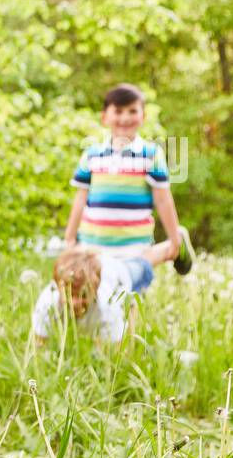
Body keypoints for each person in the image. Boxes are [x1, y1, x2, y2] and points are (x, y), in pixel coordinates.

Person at [64, 83, 193, 275]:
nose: (125, 117)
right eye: (118, 111)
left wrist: (173, 237)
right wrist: (69, 239)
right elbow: (80, 198)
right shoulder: (92, 154)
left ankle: (175, 244)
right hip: (92, 245)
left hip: (133, 247)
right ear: (105, 117)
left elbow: (163, 199)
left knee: (126, 291)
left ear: (143, 117)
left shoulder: (150, 154)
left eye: (132, 111)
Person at [32, 236, 192, 344]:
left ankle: (174, 242)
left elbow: (115, 354)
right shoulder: (47, 303)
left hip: (121, 272)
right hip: (101, 267)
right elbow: (39, 347)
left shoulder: (107, 305)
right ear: (58, 287)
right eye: (70, 295)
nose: (76, 302)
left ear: (95, 290)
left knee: (144, 263)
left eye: (83, 296)